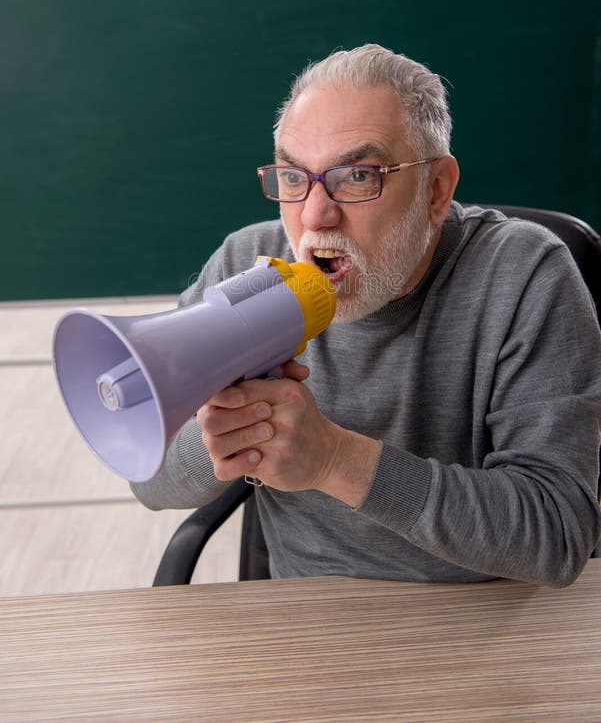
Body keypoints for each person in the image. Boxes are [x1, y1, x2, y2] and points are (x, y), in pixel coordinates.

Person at [132, 44, 601, 587]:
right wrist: (219, 437)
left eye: (357, 175)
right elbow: (147, 477)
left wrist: (334, 459)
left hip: (490, 624)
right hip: (308, 619)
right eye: (292, 177)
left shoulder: (522, 273)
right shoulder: (246, 267)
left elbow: (558, 533)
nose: (314, 215)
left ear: (436, 189)